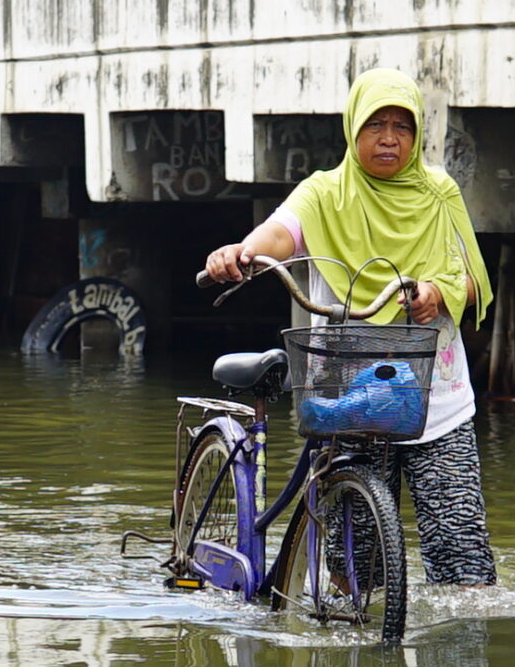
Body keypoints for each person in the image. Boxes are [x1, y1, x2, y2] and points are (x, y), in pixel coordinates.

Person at [203, 68, 498, 586]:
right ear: (352, 129)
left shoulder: (439, 192)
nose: (389, 139)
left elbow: (474, 279)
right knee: (355, 572)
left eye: (402, 126)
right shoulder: (324, 194)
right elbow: (280, 232)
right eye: (376, 125)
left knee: (464, 565)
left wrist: (438, 291)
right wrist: (242, 253)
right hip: (348, 400)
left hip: (438, 400)